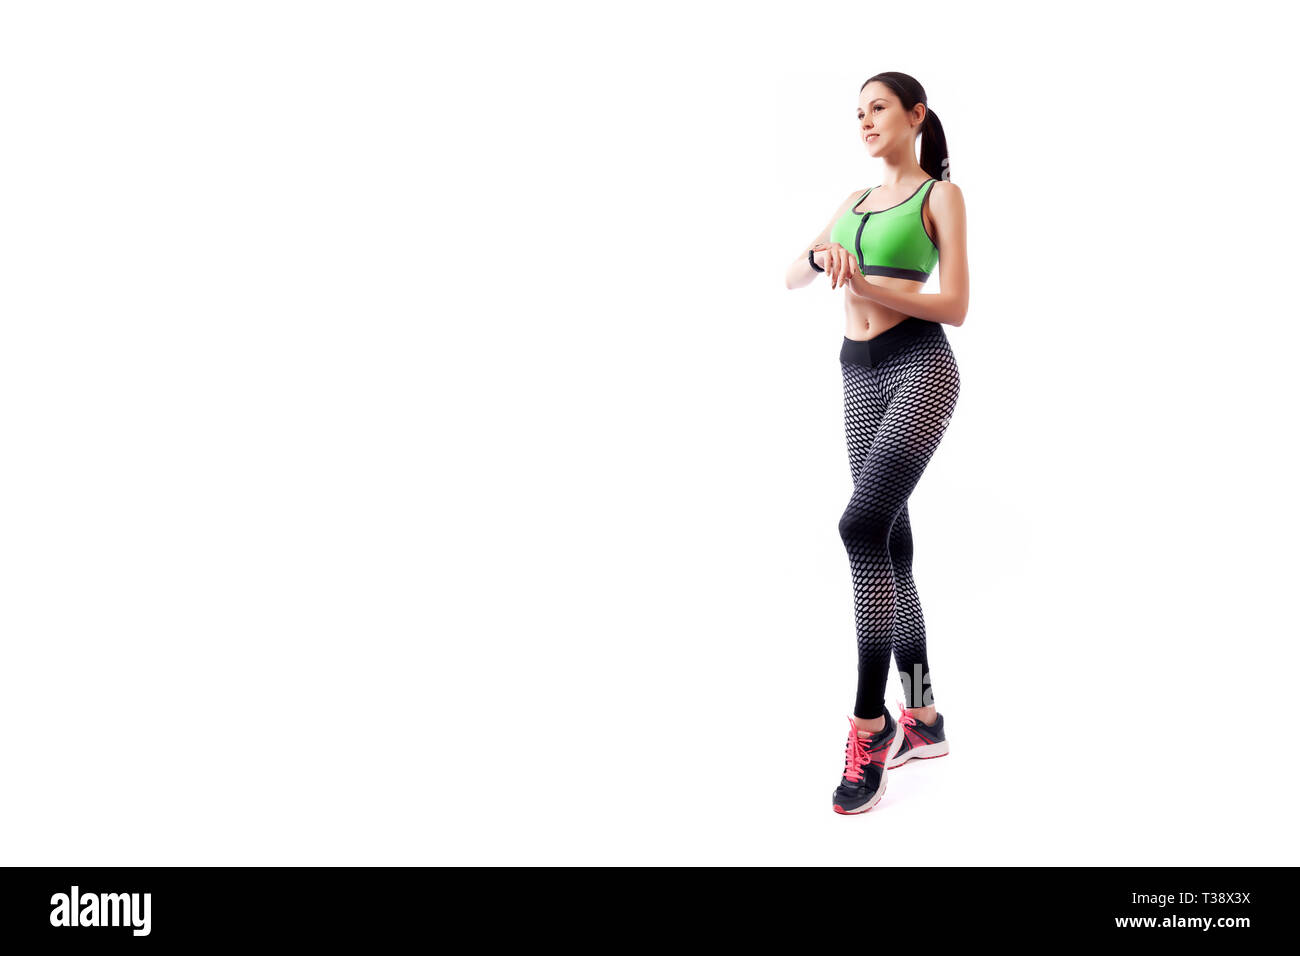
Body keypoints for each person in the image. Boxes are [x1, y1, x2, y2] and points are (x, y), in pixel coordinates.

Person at [783, 72, 969, 815]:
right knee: (889, 547)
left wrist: (867, 284)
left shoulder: (938, 197)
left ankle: (871, 724)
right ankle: (923, 718)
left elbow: (955, 302)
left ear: (915, 115)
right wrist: (824, 258)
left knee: (859, 525)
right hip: (857, 371)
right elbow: (790, 274)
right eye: (857, 112)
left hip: (921, 365)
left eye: (879, 108)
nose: (865, 121)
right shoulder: (851, 204)